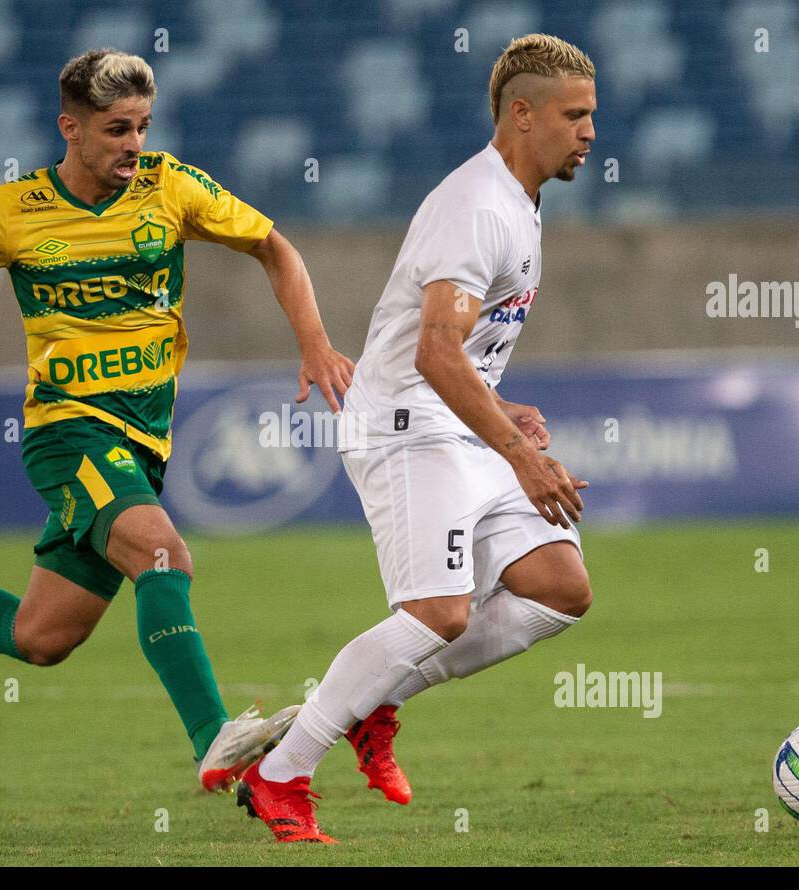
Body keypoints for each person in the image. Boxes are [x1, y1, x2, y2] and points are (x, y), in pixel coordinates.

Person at [0, 48, 355, 792]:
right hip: (68, 433)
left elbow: (274, 246)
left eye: (142, 126)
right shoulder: (14, 211)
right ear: (70, 128)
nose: (134, 143)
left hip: (143, 442)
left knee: (40, 638)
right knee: (164, 556)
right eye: (116, 129)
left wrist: (314, 341)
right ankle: (214, 737)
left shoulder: (172, 188)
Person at [236, 34, 596, 842]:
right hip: (402, 423)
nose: (590, 133)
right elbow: (434, 352)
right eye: (575, 116)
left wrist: (506, 412)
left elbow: (460, 349)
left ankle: (375, 700)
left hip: (454, 423)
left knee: (559, 587)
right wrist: (519, 452)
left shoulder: (522, 201)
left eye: (592, 116)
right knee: (439, 611)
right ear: (522, 115)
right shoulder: (478, 207)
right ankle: (279, 774)